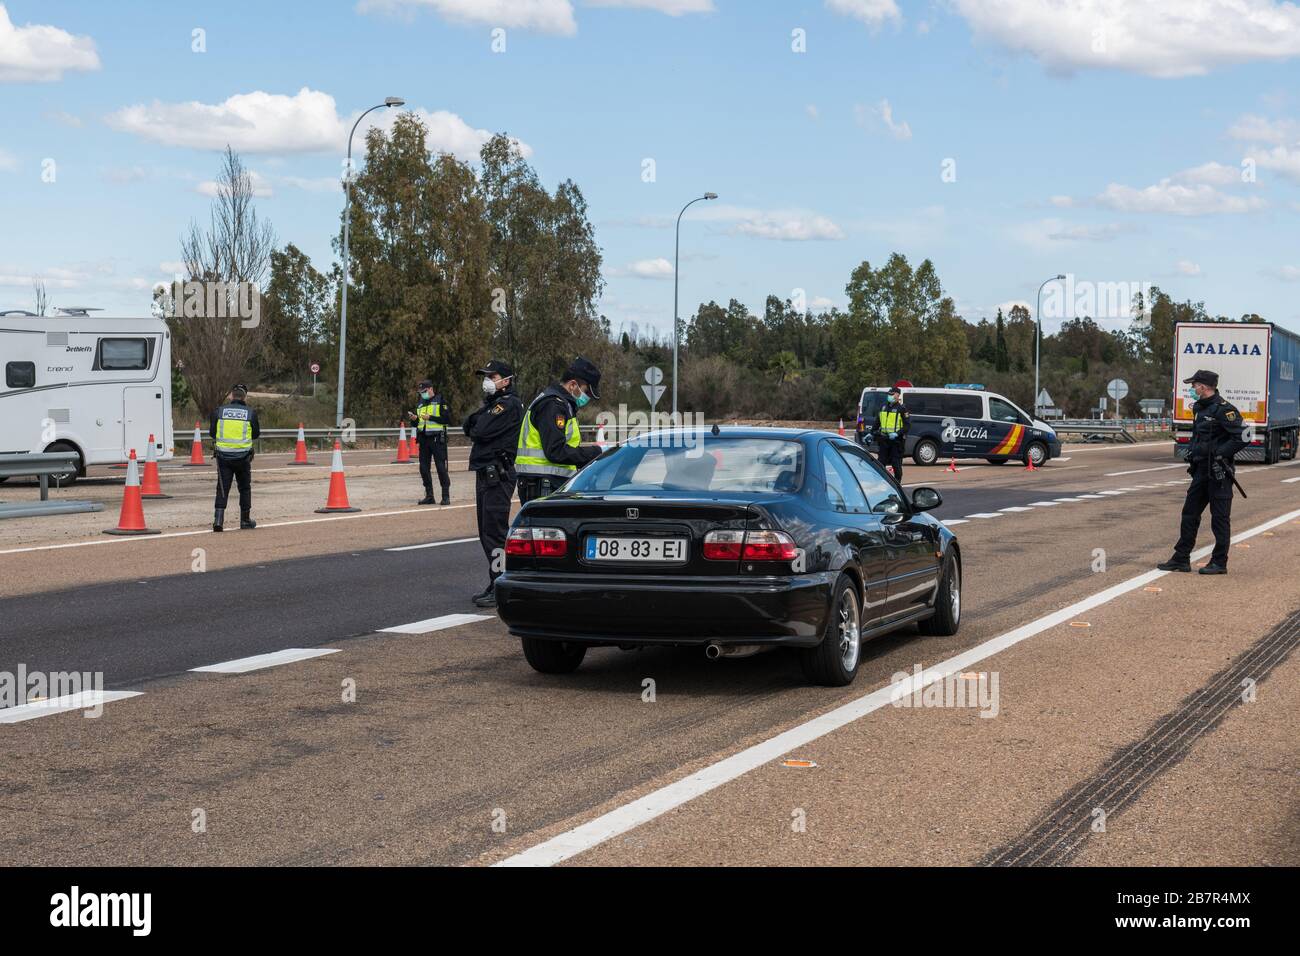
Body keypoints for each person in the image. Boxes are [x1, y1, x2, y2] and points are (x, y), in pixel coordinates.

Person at [1158, 369, 1248, 575]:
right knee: (1189, 514)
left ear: (1204, 387)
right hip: (1200, 470)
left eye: (1194, 385)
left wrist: (1220, 455)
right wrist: (1192, 450)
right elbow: (1199, 436)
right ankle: (1181, 558)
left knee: (1219, 518)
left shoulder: (1224, 410)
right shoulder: (1199, 407)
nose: (1191, 388)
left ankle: (1219, 562)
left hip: (1219, 473)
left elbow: (1243, 437)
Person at [463, 360, 524, 608]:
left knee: (495, 532)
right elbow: (470, 424)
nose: (487, 380)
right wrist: (480, 417)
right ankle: (496, 581)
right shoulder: (492, 404)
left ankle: (502, 583)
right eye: (486, 375)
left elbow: (479, 430)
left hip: (498, 475)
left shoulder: (508, 404)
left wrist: (480, 418)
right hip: (487, 473)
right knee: (486, 532)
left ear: (506, 380)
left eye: (492, 375)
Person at [516, 357, 603, 504]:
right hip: (543, 485)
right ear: (573, 385)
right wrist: (595, 453)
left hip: (547, 483)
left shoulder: (561, 404)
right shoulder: (553, 405)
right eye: (586, 392)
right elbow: (556, 451)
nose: (587, 398)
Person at [209, 384, 260, 532]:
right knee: (244, 488)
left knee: (222, 488)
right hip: (243, 457)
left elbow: (213, 433)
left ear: (231, 396)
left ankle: (218, 520)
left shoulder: (219, 411)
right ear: (245, 397)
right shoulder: (251, 413)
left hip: (223, 457)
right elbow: (255, 434)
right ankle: (245, 521)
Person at [407, 379, 451, 505]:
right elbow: (418, 424)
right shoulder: (420, 403)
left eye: (424, 391)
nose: (423, 394)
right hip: (424, 439)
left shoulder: (440, 401)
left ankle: (445, 496)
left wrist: (430, 417)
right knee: (424, 468)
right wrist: (414, 419)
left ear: (431, 389)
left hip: (437, 439)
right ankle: (429, 495)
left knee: (441, 468)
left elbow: (446, 419)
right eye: (421, 392)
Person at [874, 385, 911, 484]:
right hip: (884, 440)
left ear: (897, 395)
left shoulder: (902, 409)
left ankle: (897, 483)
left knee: (896, 464)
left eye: (892, 394)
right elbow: (877, 422)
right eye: (889, 394)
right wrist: (871, 433)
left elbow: (907, 426)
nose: (889, 396)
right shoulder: (883, 407)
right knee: (880, 463)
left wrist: (897, 434)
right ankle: (881, 482)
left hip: (896, 441)